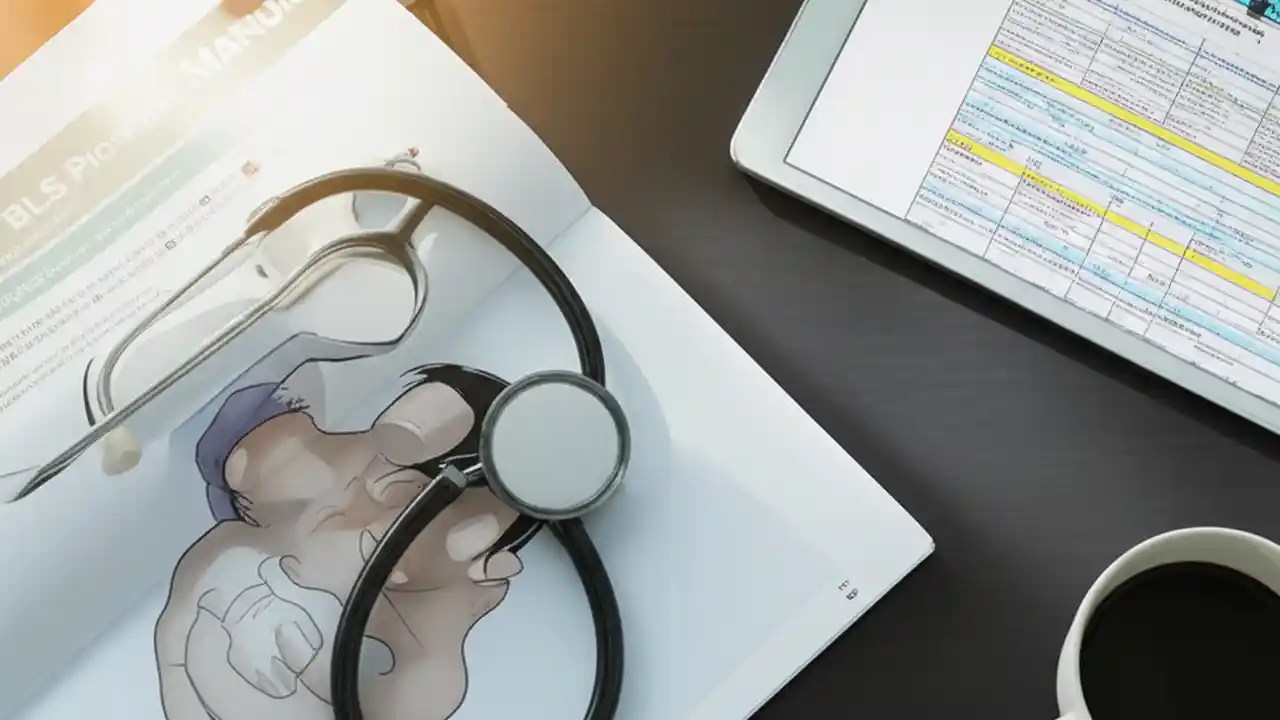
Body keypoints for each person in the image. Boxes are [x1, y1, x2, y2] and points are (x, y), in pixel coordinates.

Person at [154, 361, 539, 720]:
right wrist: (233, 596)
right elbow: (182, 625)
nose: (373, 488)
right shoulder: (277, 512)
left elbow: (425, 687)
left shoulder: (432, 634)